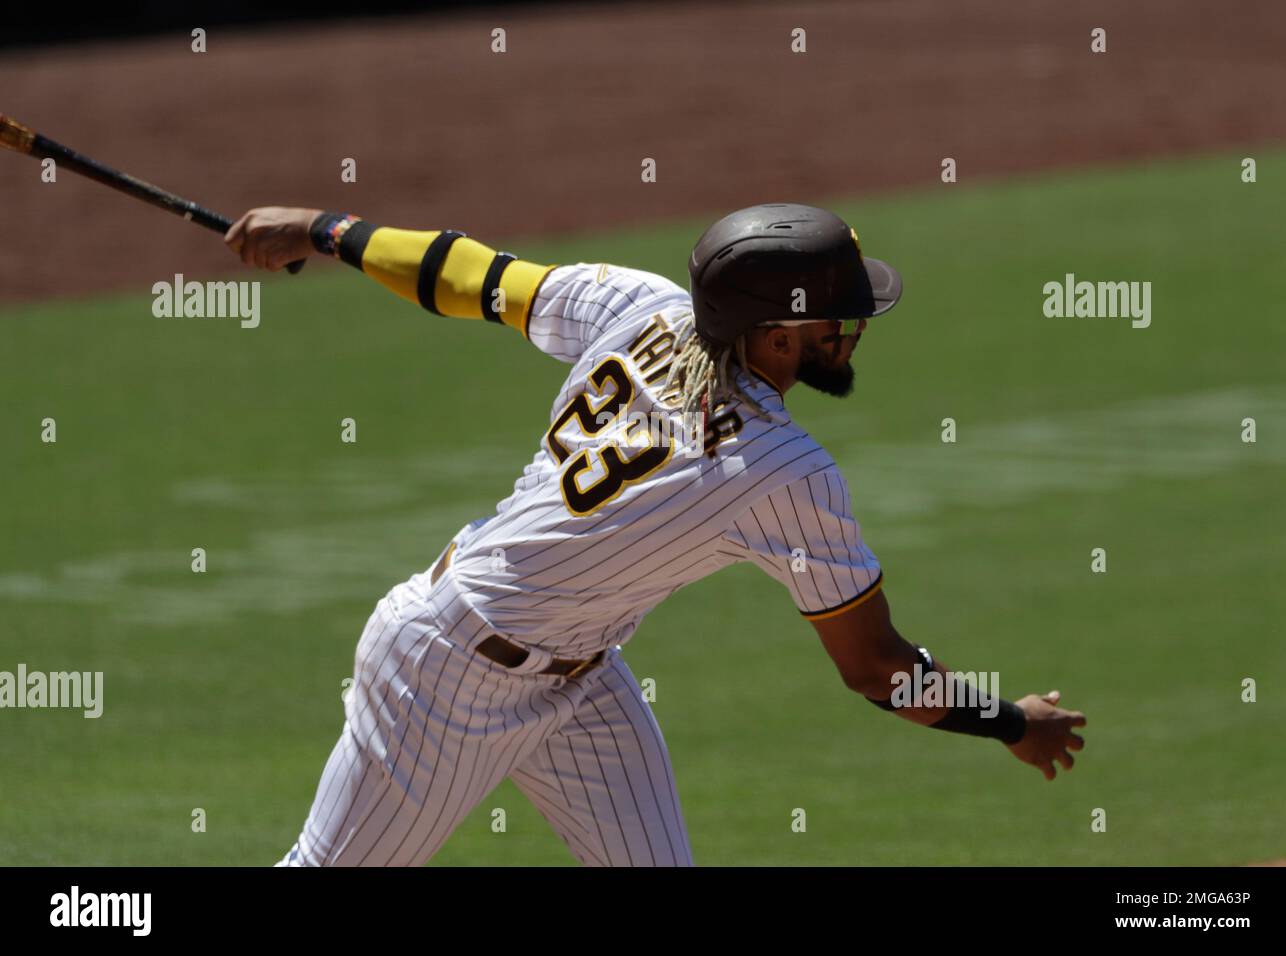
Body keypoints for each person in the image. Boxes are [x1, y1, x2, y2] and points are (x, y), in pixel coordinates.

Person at [224, 202, 1086, 867]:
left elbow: (473, 276)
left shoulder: (638, 304)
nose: (851, 330)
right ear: (775, 332)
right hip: (446, 677)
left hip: (580, 674)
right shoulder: (784, 471)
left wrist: (325, 228)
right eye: (834, 319)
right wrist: (1010, 722)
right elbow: (874, 668)